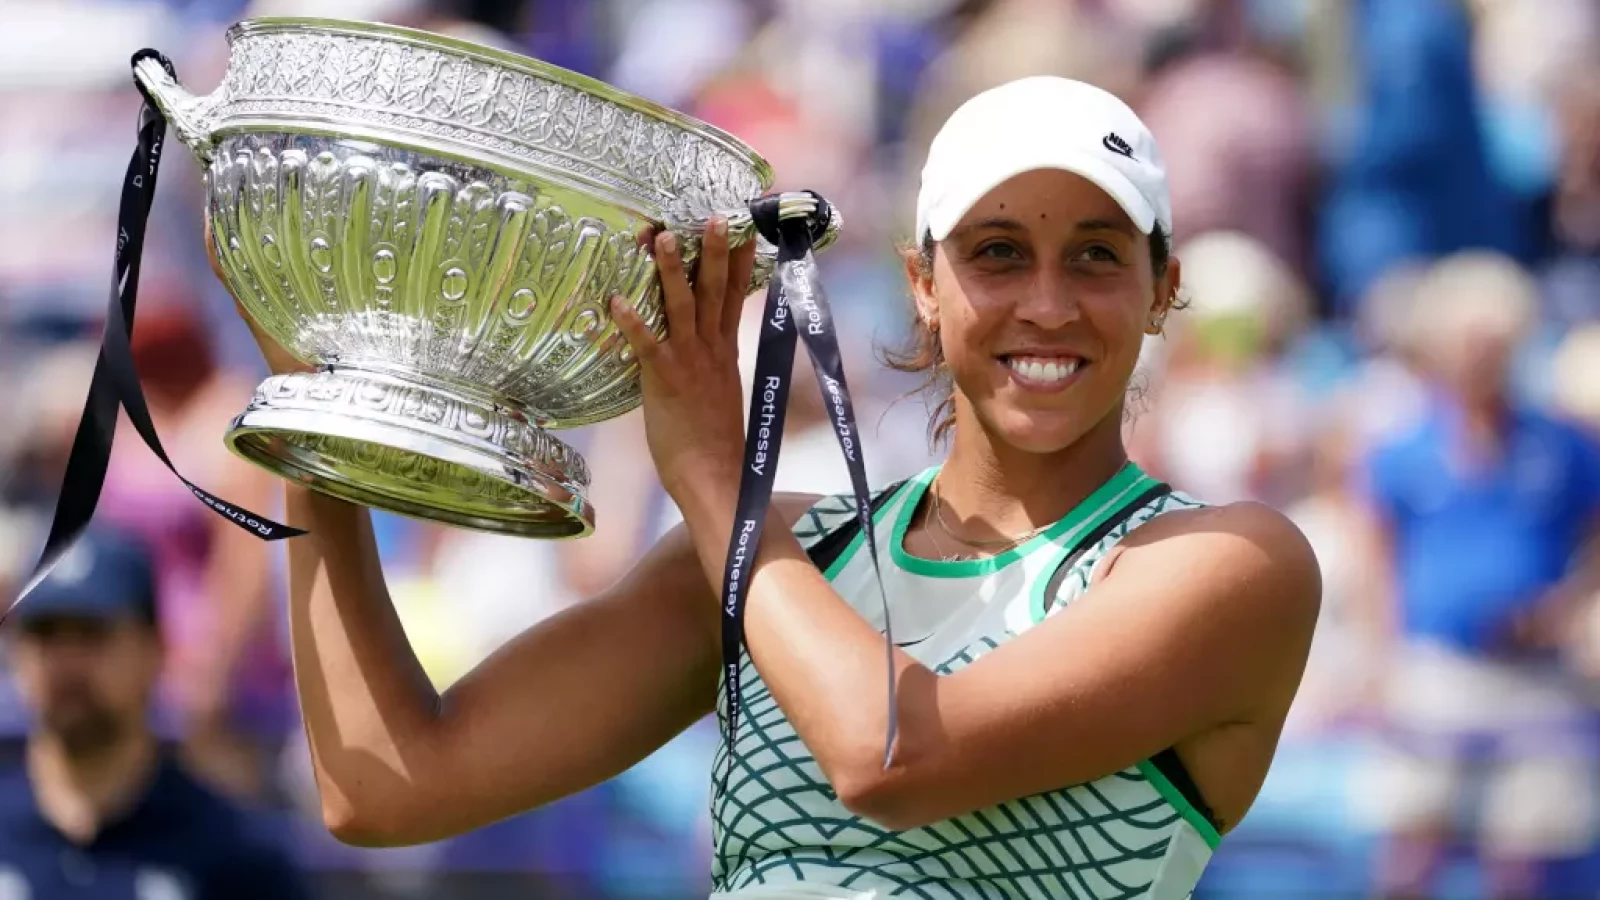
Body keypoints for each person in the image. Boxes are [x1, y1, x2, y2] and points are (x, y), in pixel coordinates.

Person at [222, 76, 1320, 899]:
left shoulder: (1227, 564)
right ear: (922, 286)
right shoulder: (779, 557)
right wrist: (320, 428)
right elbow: (384, 785)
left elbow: (891, 754)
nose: (1045, 303)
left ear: (1161, 289)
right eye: (995, 253)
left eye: (1095, 255)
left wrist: (709, 476)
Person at [1355, 253, 1600, 900]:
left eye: (1494, 345)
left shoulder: (1563, 446)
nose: (1479, 359)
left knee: (1523, 858)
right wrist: (1383, 660)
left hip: (1538, 678)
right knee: (1411, 847)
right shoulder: (1401, 449)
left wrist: (1571, 604)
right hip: (1434, 668)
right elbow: (1378, 559)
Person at [0, 526, 312, 899]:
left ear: (155, 649)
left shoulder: (231, 853)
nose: (68, 663)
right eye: (45, 634)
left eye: (92, 635)